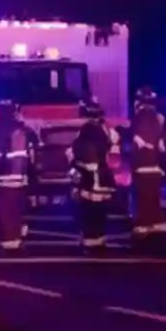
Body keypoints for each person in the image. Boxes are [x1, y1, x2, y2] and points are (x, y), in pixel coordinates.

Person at [0, 99, 37, 253]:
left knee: (6, 212)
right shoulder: (24, 129)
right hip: (22, 178)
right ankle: (18, 239)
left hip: (5, 178)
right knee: (17, 211)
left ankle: (9, 245)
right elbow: (33, 154)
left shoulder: (0, 128)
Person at [69, 98, 118, 253]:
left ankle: (91, 245)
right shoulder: (106, 130)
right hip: (103, 177)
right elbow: (113, 145)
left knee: (89, 212)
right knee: (100, 212)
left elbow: (76, 154)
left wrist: (74, 172)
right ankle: (100, 242)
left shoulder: (84, 131)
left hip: (89, 180)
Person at [128, 86, 166, 245]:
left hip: (142, 167)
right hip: (156, 168)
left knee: (141, 202)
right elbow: (163, 145)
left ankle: (141, 232)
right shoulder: (160, 119)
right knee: (154, 201)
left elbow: (134, 143)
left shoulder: (139, 118)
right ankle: (159, 230)